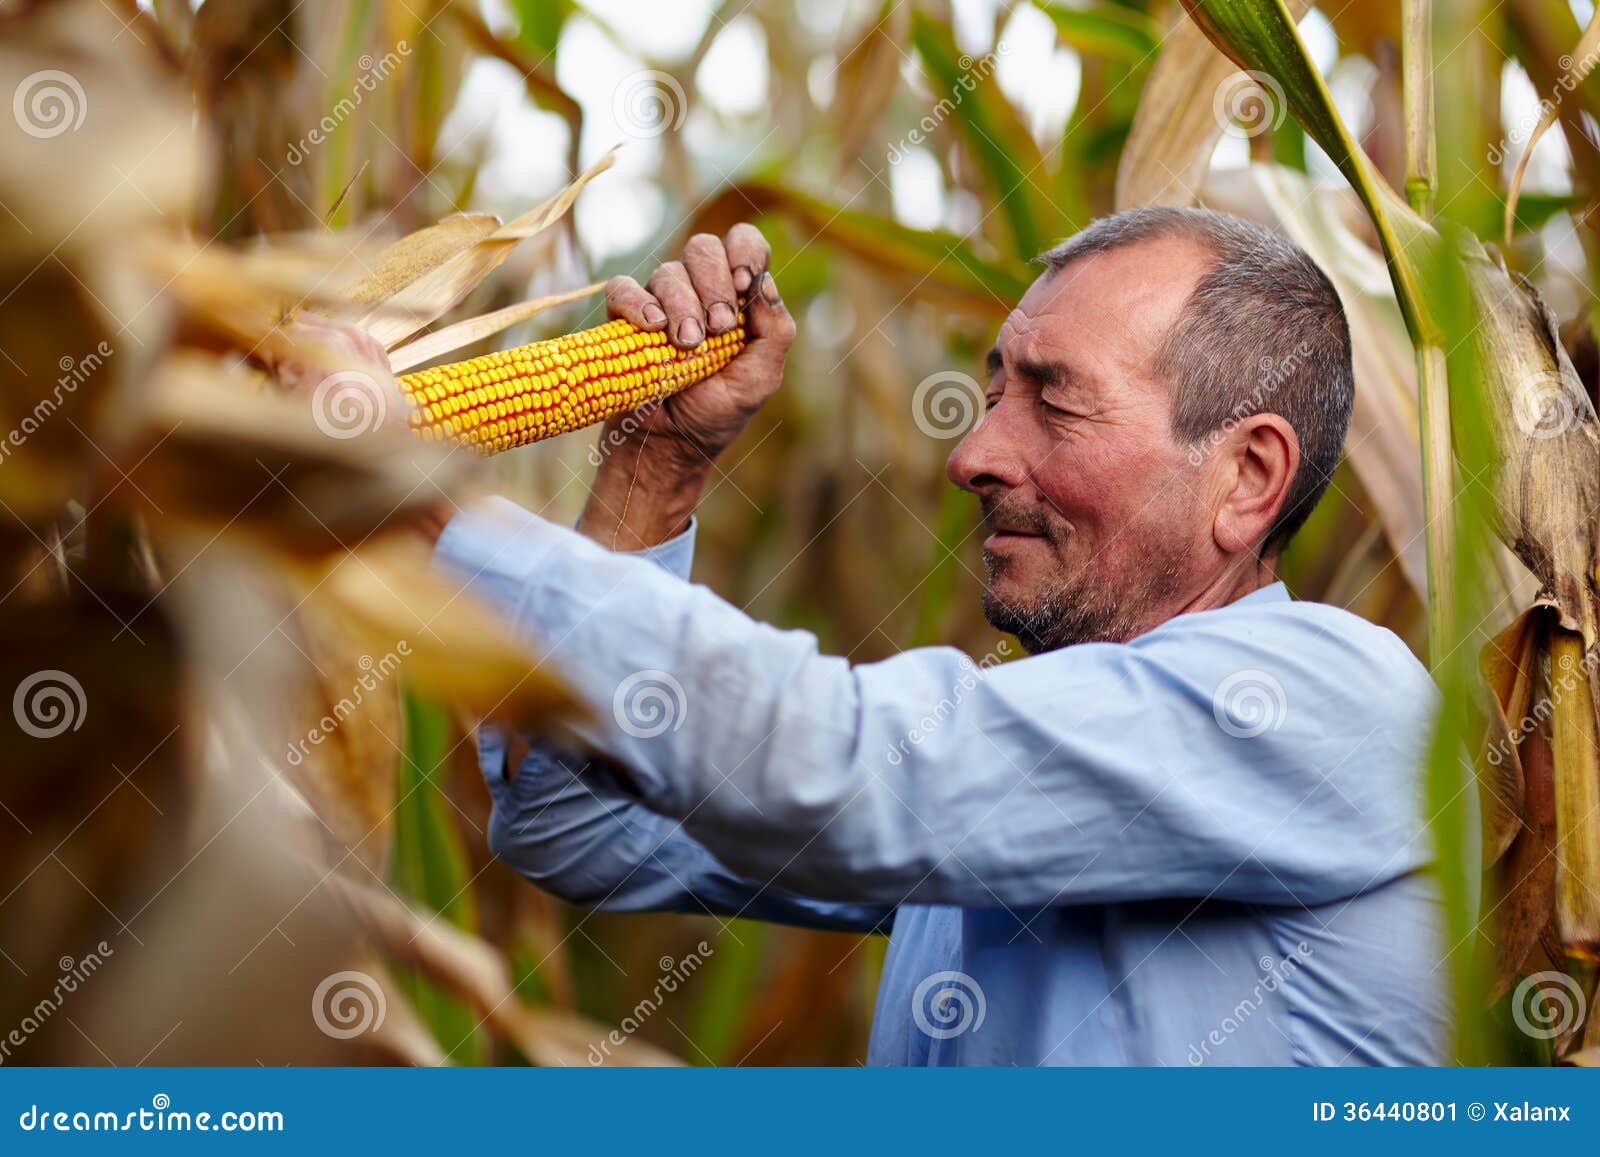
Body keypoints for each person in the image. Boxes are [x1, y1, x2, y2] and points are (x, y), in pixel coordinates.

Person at [287, 208, 1460, 1066]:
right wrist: (657, 460)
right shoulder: (1029, 768)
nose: (973, 453)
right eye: (991, 388)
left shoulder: (1333, 703)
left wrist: (410, 494)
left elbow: (835, 763)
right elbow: (577, 826)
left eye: (1053, 400)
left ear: (1247, 476)